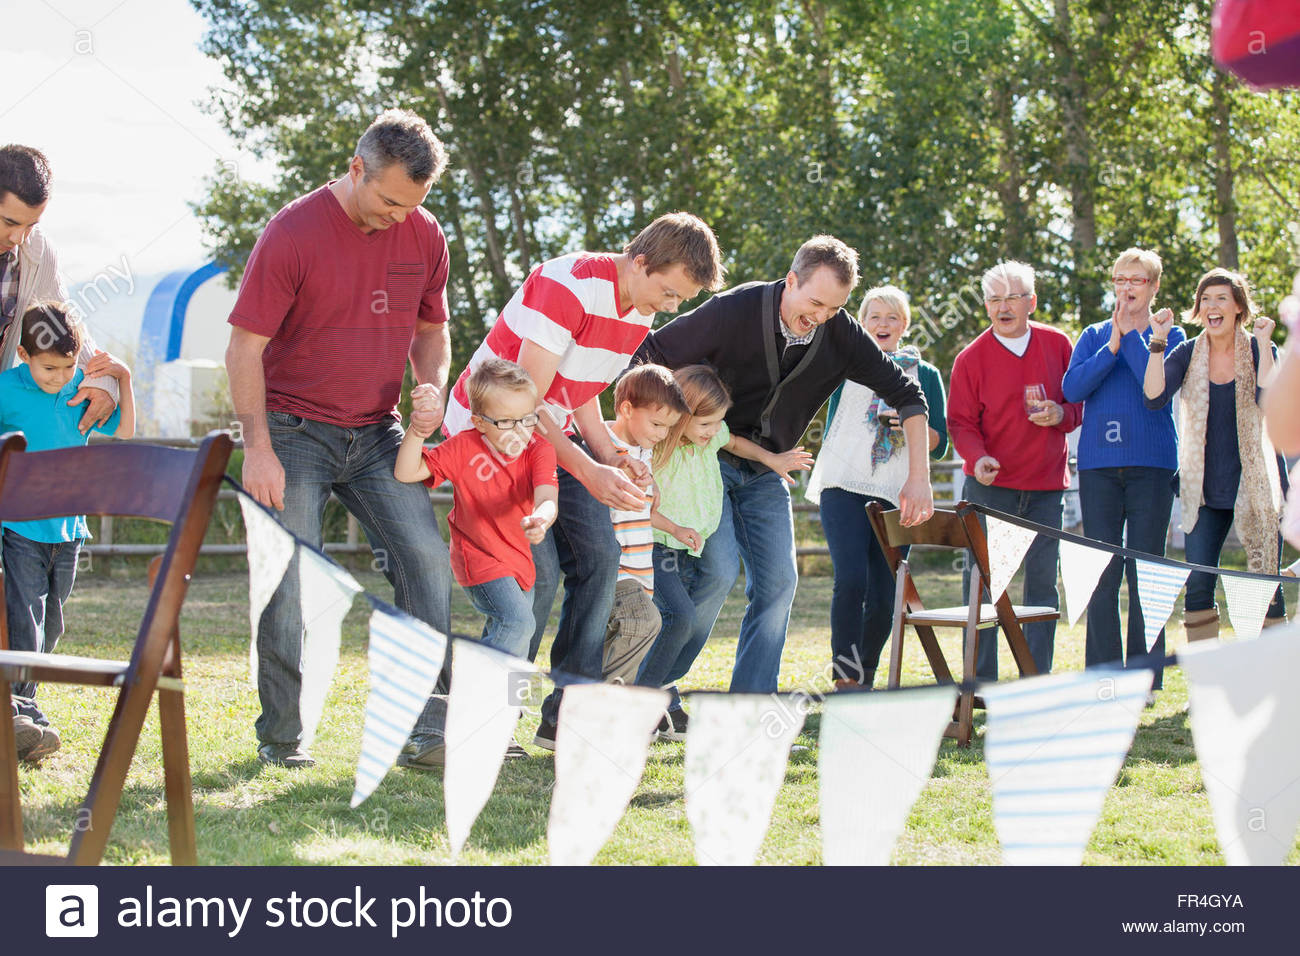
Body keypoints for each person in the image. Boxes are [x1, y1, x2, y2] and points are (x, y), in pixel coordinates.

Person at [442, 212, 724, 750]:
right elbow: (527, 403)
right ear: (639, 261)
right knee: (536, 574)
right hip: (494, 438)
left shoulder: (639, 312)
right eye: (668, 291)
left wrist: (611, 453)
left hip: (550, 435)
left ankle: (564, 712)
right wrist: (588, 469)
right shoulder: (567, 285)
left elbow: (578, 389)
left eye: (680, 300)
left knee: (600, 557)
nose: (670, 307)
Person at [226, 109, 456, 768]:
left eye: (411, 206)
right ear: (356, 168)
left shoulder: (423, 232)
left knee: (425, 562)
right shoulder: (292, 234)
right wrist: (260, 447)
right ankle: (281, 741)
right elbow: (244, 349)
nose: (397, 217)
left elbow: (430, 329)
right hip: (293, 428)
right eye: (387, 201)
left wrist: (431, 383)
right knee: (289, 579)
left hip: (377, 432)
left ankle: (426, 730)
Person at [636, 235, 933, 695]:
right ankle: (652, 685)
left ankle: (750, 703)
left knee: (778, 585)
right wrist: (659, 431)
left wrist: (919, 479)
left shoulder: (843, 334)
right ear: (791, 280)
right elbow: (648, 355)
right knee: (715, 575)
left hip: (766, 470)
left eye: (833, 309)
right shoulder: (732, 310)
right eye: (814, 302)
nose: (820, 317)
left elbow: (909, 397)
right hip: (706, 460)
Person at [637, 364, 811, 738]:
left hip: (691, 542)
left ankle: (661, 685)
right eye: (706, 424)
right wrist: (676, 529)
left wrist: (771, 459)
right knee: (675, 617)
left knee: (697, 601)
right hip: (660, 546)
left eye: (718, 422)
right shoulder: (657, 450)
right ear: (681, 416)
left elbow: (735, 443)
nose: (715, 431)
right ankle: (645, 696)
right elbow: (643, 507)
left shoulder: (712, 438)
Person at [2, 302, 135, 760]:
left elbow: (126, 430)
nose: (59, 377)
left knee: (53, 623)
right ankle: (25, 712)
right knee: (26, 619)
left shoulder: (82, 388)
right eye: (48, 368)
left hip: (70, 529)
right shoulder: (6, 389)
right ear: (23, 354)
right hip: (18, 525)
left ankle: (25, 712)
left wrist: (124, 378)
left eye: (67, 366)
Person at [806, 285, 948, 689]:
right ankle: (845, 677)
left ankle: (865, 669)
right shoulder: (843, 365)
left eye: (892, 318)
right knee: (851, 579)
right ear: (861, 323)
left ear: (904, 325)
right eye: (874, 317)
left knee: (886, 593)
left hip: (894, 490)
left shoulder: (926, 375)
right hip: (842, 482)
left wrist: (913, 429)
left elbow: (941, 444)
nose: (882, 324)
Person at [947, 262, 1080, 679]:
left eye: (1012, 298)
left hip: (1044, 489)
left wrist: (1060, 413)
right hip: (991, 490)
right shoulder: (970, 358)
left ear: (1031, 302)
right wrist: (976, 457)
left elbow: (1078, 406)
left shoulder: (1058, 344)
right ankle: (980, 684)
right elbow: (960, 423)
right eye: (994, 299)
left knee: (1041, 589)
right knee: (985, 588)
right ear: (986, 305)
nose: (1003, 307)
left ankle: (1035, 680)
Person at [1062, 248, 1185, 694]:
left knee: (1146, 569)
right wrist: (1110, 345)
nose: (1126, 287)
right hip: (1098, 466)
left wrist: (1132, 339)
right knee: (1102, 570)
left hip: (1152, 466)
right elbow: (1072, 388)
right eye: (1119, 279)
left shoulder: (1170, 335)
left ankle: (1146, 675)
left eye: (1136, 280)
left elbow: (1156, 393)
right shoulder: (1094, 334)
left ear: (1152, 287)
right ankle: (1103, 671)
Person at [1143, 268, 1286, 639]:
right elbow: (1154, 397)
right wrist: (1157, 343)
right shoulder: (1188, 352)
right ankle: (1206, 688)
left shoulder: (1259, 348)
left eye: (1221, 298)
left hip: (1256, 488)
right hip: (1203, 490)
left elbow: (1269, 400)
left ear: (1239, 306)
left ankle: (1275, 685)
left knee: (1266, 587)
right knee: (1199, 589)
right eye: (1205, 299)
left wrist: (1266, 345)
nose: (1211, 306)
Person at [0, 144, 119, 432]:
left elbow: (63, 323)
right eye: (9, 222)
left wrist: (104, 383)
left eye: (31, 225)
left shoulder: (37, 250)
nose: (19, 237)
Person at [598, 364, 689, 686]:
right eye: (656, 424)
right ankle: (607, 703)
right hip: (618, 568)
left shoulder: (643, 453)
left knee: (623, 638)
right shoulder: (602, 447)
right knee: (644, 622)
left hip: (641, 572)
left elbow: (641, 511)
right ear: (626, 408)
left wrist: (674, 529)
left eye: (668, 428)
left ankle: (600, 705)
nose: (662, 435)